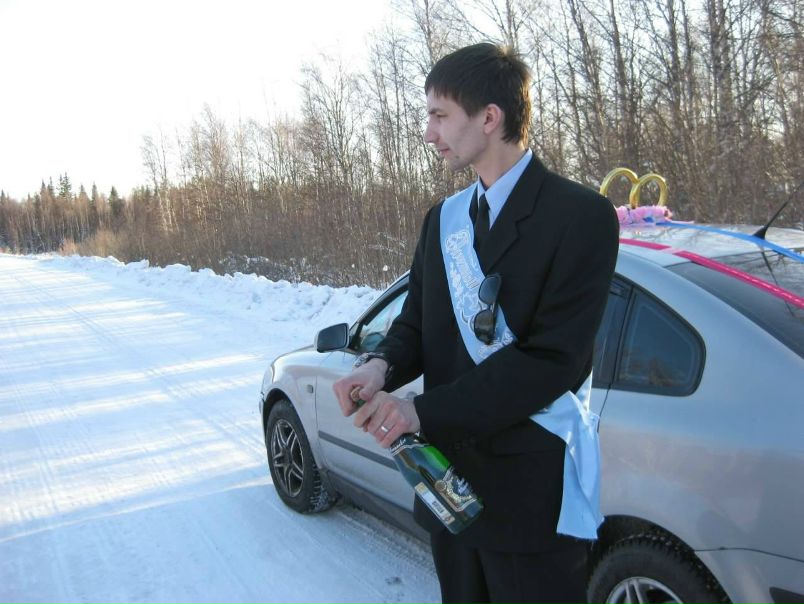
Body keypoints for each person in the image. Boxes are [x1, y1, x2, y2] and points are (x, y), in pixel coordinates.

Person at [333, 42, 619, 604]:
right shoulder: (443, 220)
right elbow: (416, 325)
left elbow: (552, 362)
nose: (428, 133)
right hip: (446, 484)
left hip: (529, 498)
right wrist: (379, 366)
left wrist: (419, 411)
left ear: (490, 118)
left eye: (440, 115)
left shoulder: (580, 216)